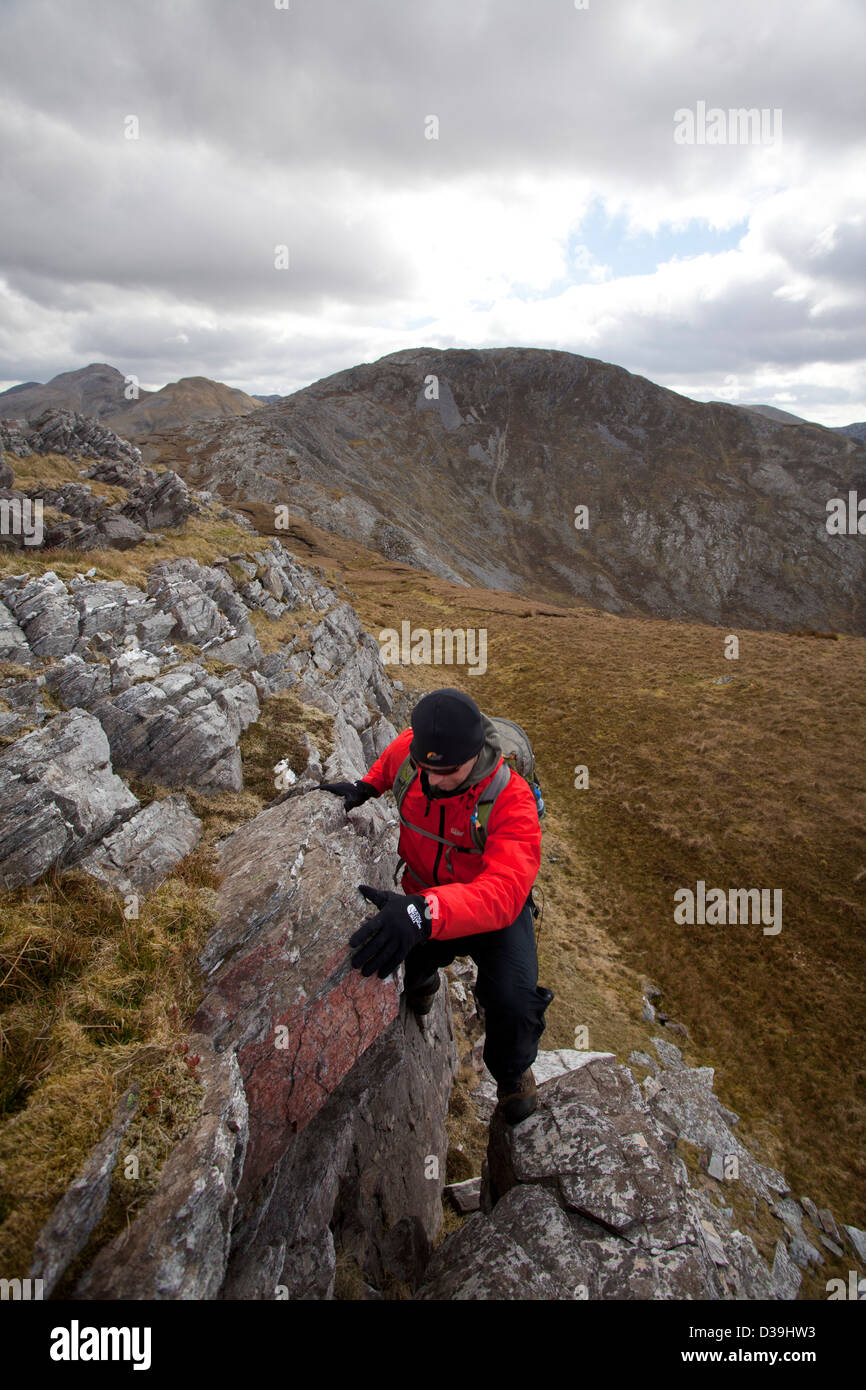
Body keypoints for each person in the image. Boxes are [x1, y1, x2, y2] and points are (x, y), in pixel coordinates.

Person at [319, 687, 554, 1124]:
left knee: (513, 999)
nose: (433, 781)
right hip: (423, 893)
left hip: (492, 915)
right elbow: (389, 766)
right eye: (427, 769)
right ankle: (423, 983)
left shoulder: (512, 799)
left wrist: (424, 913)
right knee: (402, 961)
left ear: (477, 753)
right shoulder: (412, 754)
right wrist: (364, 787)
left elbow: (504, 892)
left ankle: (513, 1072)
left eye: (448, 772)